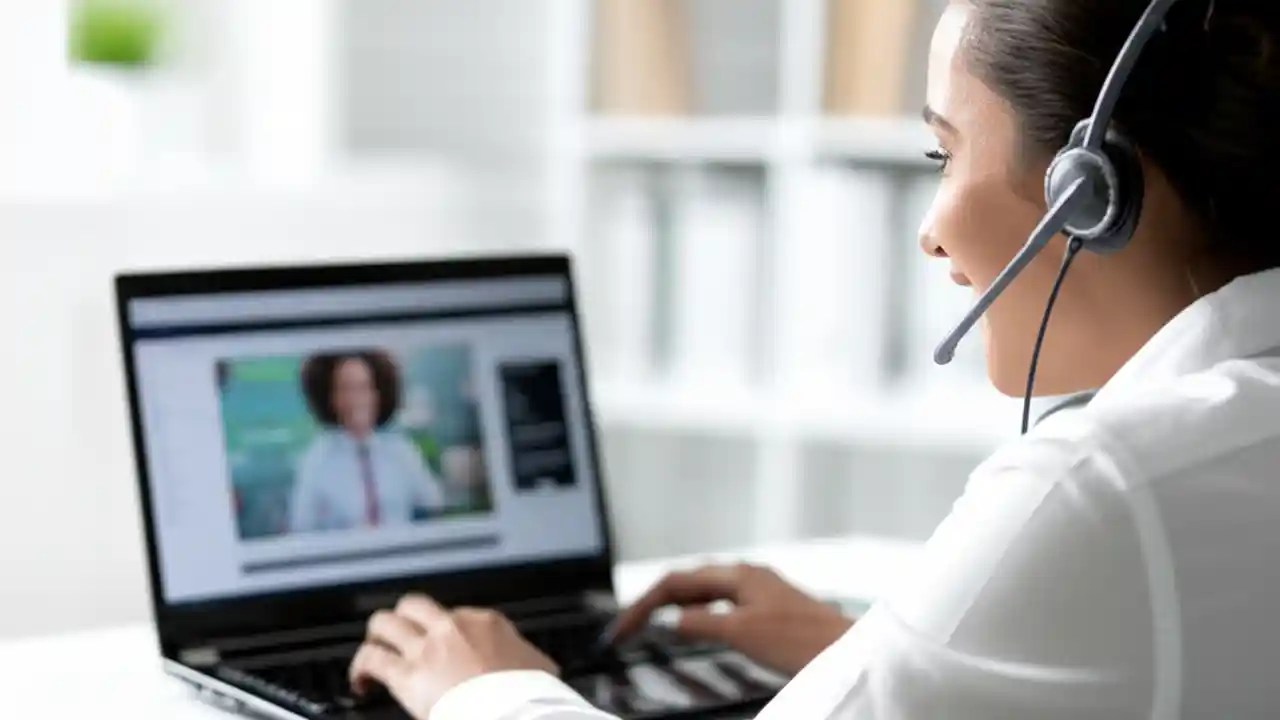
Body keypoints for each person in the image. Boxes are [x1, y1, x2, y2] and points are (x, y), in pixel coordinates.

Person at [347, 0, 1280, 717]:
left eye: (941, 153)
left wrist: (486, 691)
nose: (928, 232)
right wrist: (877, 652)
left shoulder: (1100, 487)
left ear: (1091, 191)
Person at [289, 350, 445, 533]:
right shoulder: (315, 461)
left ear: (377, 394)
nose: (357, 399)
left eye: (364, 387)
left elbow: (433, 503)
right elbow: (300, 527)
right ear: (332, 398)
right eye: (346, 389)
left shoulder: (402, 451)